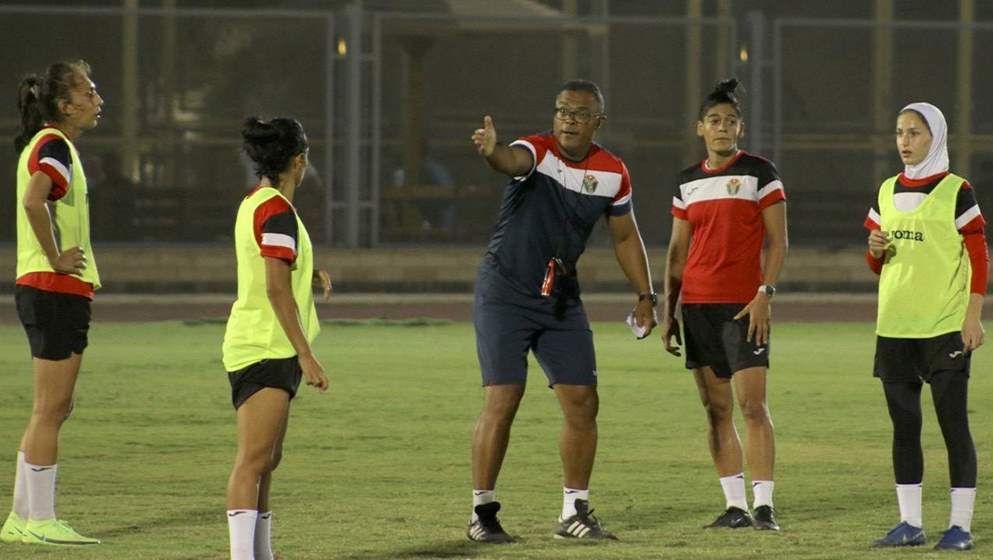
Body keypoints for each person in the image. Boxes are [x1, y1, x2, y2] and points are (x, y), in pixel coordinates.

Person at [466, 79, 656, 543]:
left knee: (583, 401)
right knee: (503, 399)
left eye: (580, 113)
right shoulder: (536, 150)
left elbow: (625, 236)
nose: (569, 119)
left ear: (599, 122)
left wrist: (647, 295)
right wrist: (493, 152)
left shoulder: (613, 172)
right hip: (504, 292)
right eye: (562, 111)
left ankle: (574, 512)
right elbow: (510, 161)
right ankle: (482, 513)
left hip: (560, 297)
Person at [660, 78, 787, 531]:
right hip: (697, 307)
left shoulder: (760, 172)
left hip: (743, 306)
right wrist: (668, 312)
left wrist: (764, 294)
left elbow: (778, 241)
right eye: (714, 121)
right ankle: (735, 507)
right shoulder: (687, 182)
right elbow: (677, 253)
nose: (722, 128)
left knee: (753, 406)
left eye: (730, 121)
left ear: (740, 128)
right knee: (716, 411)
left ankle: (765, 505)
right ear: (700, 128)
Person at [865, 103, 986, 551]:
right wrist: (874, 249)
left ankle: (960, 527)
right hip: (895, 326)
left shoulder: (958, 191)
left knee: (953, 425)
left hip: (944, 326)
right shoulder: (885, 190)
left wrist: (973, 315)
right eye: (900, 132)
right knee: (904, 426)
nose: (905, 141)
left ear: (935, 137)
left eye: (915, 132)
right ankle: (910, 523)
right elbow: (876, 263)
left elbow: (979, 257)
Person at [0, 60, 104, 547]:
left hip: (51, 288)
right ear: (65, 106)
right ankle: (40, 518)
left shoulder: (51, 145)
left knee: (50, 407)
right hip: (52, 287)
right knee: (52, 407)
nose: (97, 99)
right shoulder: (54, 145)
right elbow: (31, 199)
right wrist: (57, 258)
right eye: (90, 92)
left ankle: (23, 517)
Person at [222, 117, 331, 560]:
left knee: (266, 460)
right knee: (252, 462)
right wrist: (307, 355)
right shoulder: (277, 210)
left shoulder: (258, 202)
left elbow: (277, 268)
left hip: (267, 344)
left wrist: (311, 271)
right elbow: (274, 287)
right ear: (299, 160)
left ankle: (262, 553)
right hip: (265, 347)